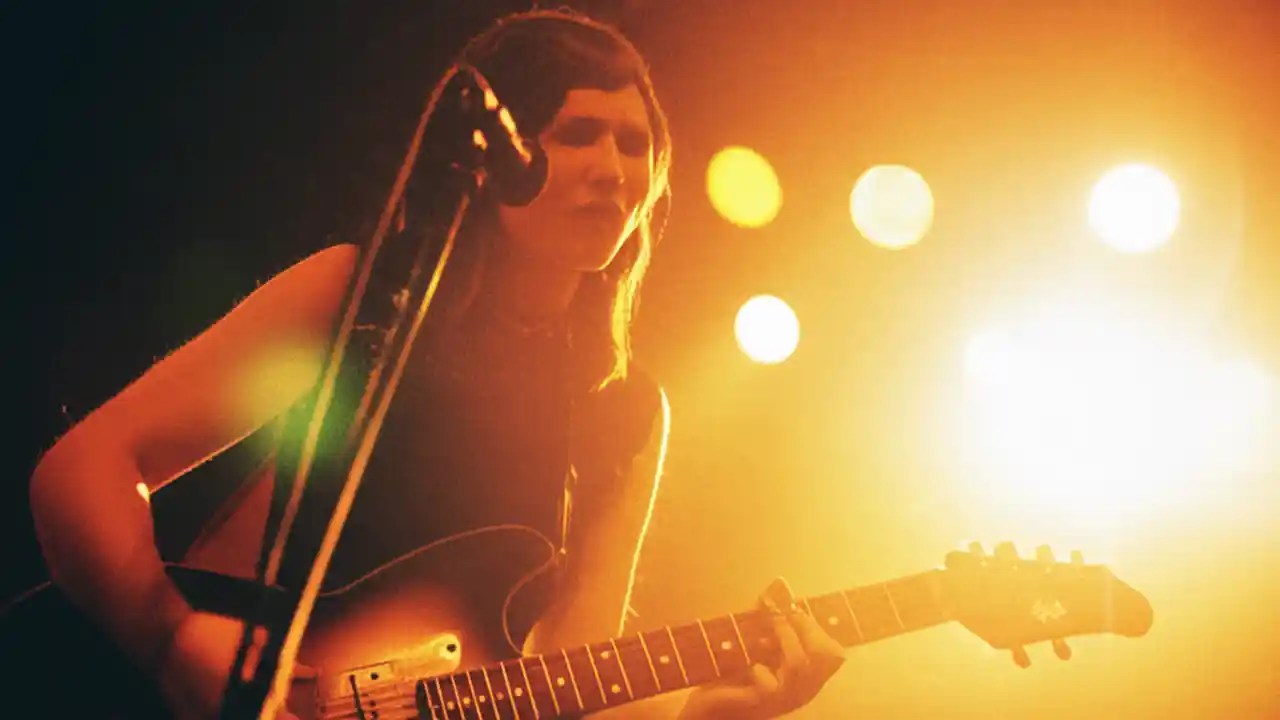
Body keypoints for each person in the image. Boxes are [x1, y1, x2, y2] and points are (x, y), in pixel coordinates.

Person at [28, 8, 846, 719]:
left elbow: (576, 683)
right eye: (578, 134)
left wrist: (706, 712)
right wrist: (171, 640)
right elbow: (84, 469)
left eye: (635, 144)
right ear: (497, 159)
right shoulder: (358, 297)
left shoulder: (623, 407)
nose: (613, 169)